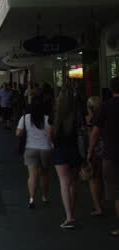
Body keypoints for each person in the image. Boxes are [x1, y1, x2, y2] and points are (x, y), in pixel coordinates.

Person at [89, 77, 119, 237]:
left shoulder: (106, 107)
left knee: (116, 192)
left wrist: (90, 151)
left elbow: (94, 132)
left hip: (112, 154)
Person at [49, 91, 83, 229]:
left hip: (60, 151)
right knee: (73, 183)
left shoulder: (55, 115)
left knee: (63, 182)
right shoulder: (76, 114)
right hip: (75, 150)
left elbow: (49, 135)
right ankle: (72, 213)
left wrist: (53, 145)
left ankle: (68, 216)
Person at [16, 99, 52, 209]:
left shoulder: (25, 118)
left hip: (30, 148)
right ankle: (44, 196)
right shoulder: (48, 119)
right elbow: (51, 134)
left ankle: (31, 199)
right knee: (44, 174)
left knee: (32, 175)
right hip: (45, 149)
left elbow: (18, 133)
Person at [84, 96, 105, 218]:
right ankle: (100, 202)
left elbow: (91, 136)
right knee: (102, 179)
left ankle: (97, 206)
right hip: (106, 151)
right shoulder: (105, 117)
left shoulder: (88, 119)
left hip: (93, 152)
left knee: (93, 180)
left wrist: (89, 152)